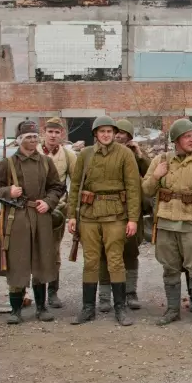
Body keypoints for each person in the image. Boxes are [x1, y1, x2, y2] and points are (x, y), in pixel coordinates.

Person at [142, 119, 192, 328]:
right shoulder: (160, 160)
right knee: (170, 269)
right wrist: (157, 176)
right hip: (167, 224)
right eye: (187, 136)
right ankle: (172, 310)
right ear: (176, 139)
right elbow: (146, 190)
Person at [67, 116, 142, 327]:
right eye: (102, 131)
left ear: (114, 133)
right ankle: (88, 308)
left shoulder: (125, 154)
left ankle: (120, 308)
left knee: (115, 260)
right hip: (89, 215)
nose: (106, 135)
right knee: (90, 260)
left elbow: (133, 188)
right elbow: (75, 186)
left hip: (116, 215)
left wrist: (133, 219)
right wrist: (72, 215)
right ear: (95, 134)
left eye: (109, 131)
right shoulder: (85, 155)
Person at [0, 120, 65, 324]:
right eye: (28, 137)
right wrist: (9, 192)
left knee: (42, 261)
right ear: (20, 140)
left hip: (40, 216)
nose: (32, 140)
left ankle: (41, 308)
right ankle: (16, 310)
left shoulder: (46, 162)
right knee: (17, 263)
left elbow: (57, 187)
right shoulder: (7, 163)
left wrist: (48, 203)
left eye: (34, 136)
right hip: (18, 218)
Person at [97, 119, 150, 312]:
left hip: (131, 211)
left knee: (130, 252)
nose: (119, 137)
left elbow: (151, 173)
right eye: (116, 133)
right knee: (104, 253)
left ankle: (130, 292)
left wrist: (139, 155)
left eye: (123, 135)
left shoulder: (135, 155)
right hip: (107, 211)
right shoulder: (99, 153)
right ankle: (104, 295)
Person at [40, 117, 77, 309]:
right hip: (35, 209)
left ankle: (52, 292)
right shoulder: (33, 151)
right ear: (43, 132)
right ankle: (35, 293)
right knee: (34, 251)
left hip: (57, 210)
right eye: (50, 132)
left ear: (61, 134)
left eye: (57, 132)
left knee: (53, 252)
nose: (53, 136)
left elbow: (76, 183)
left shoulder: (68, 155)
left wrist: (71, 212)